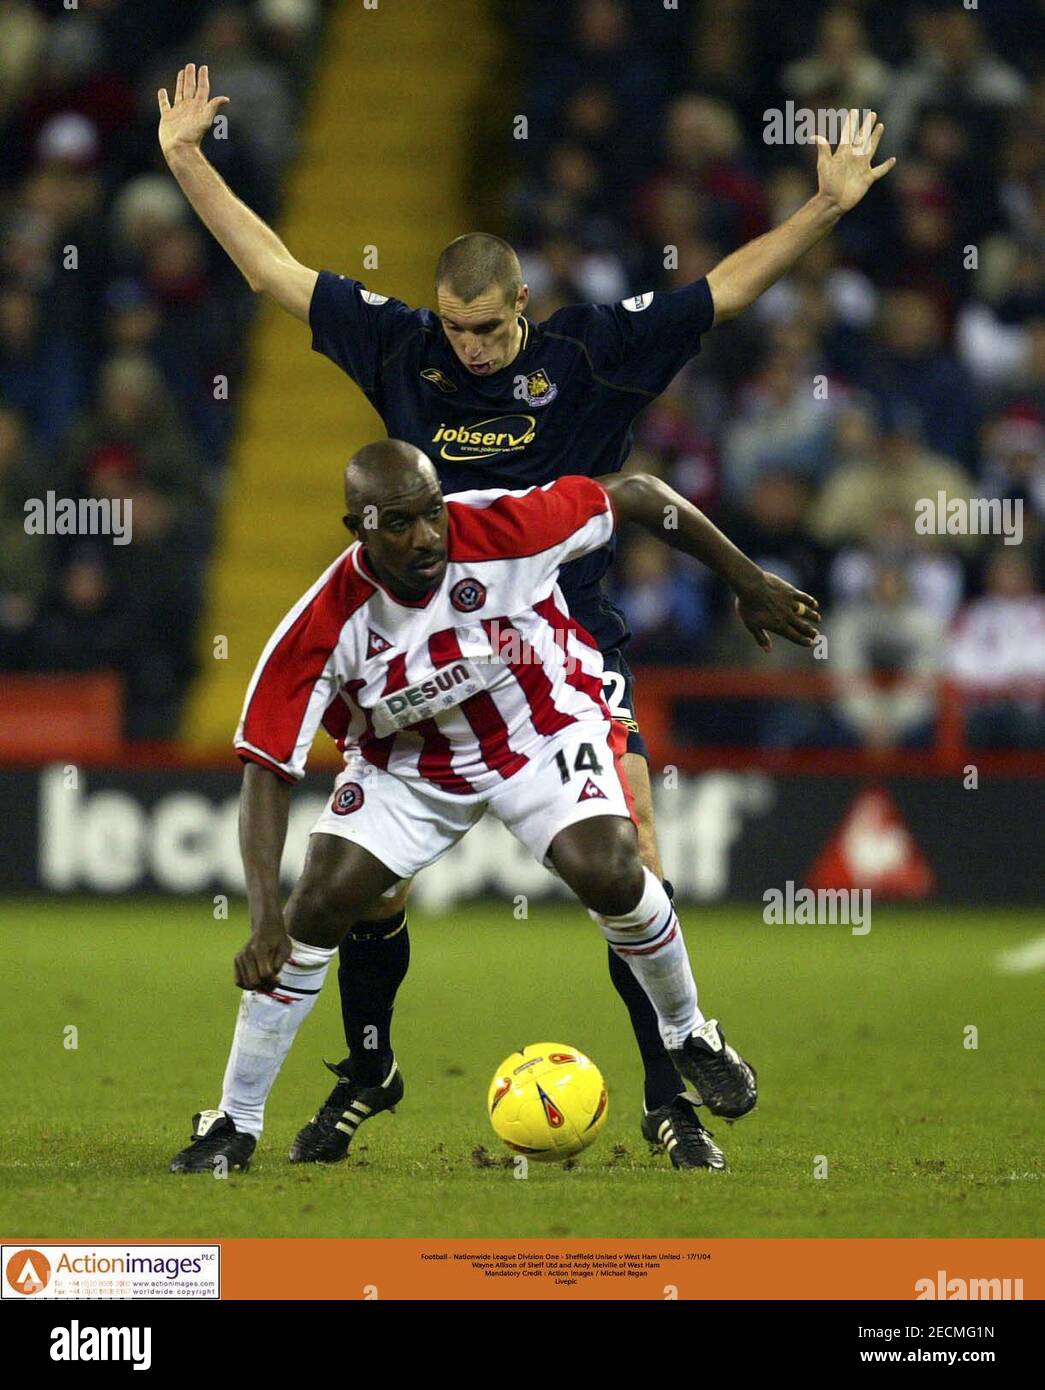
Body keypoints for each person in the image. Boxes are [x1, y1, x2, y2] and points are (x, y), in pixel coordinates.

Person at [158, 63, 891, 1168]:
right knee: (363, 892)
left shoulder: (588, 352)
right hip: (412, 636)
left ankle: (670, 1089)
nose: (470, 350)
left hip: (561, 630)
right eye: (455, 331)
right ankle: (364, 1068)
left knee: (627, 856)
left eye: (489, 332)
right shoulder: (400, 346)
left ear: (522, 311)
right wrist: (186, 161)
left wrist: (825, 206)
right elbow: (271, 269)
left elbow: (723, 293)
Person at [169, 441, 821, 1174]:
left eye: (432, 514)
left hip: (539, 727)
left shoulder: (506, 527)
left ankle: (689, 1033)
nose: (425, 538)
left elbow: (637, 493)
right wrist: (262, 918)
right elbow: (265, 770)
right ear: (358, 528)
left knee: (608, 867)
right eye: (400, 525)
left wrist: (749, 579)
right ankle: (235, 1119)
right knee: (317, 902)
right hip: (408, 768)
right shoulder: (321, 626)